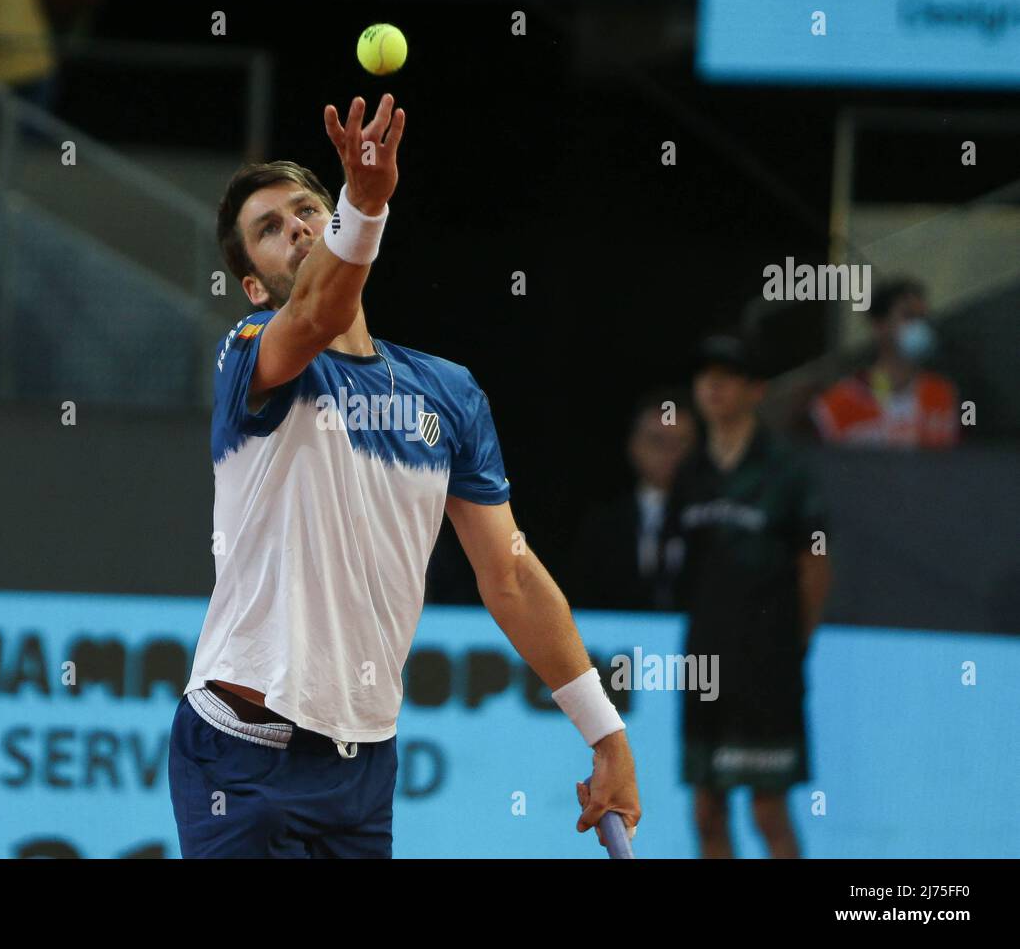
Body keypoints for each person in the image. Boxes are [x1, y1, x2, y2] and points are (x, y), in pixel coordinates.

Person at [168, 94, 640, 858]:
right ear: (252, 285)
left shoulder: (447, 393)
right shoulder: (252, 355)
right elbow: (318, 313)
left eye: (306, 211)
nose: (295, 228)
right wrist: (364, 201)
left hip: (362, 763)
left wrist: (605, 732)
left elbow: (510, 576)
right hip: (240, 752)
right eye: (269, 229)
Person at [662, 336, 831, 858]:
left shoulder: (785, 470)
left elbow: (815, 562)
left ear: (756, 389)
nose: (712, 385)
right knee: (707, 812)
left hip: (768, 665)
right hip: (704, 662)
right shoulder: (689, 474)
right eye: (704, 375)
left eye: (728, 375)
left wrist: (792, 644)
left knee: (767, 811)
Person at [569, 388, 697, 611]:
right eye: (657, 441)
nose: (670, 453)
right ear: (634, 445)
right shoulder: (602, 524)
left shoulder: (711, 519)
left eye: (681, 443)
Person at [810, 277, 959, 448]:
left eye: (922, 318)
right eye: (909, 316)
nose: (919, 327)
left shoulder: (943, 395)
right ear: (879, 325)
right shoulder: (835, 406)